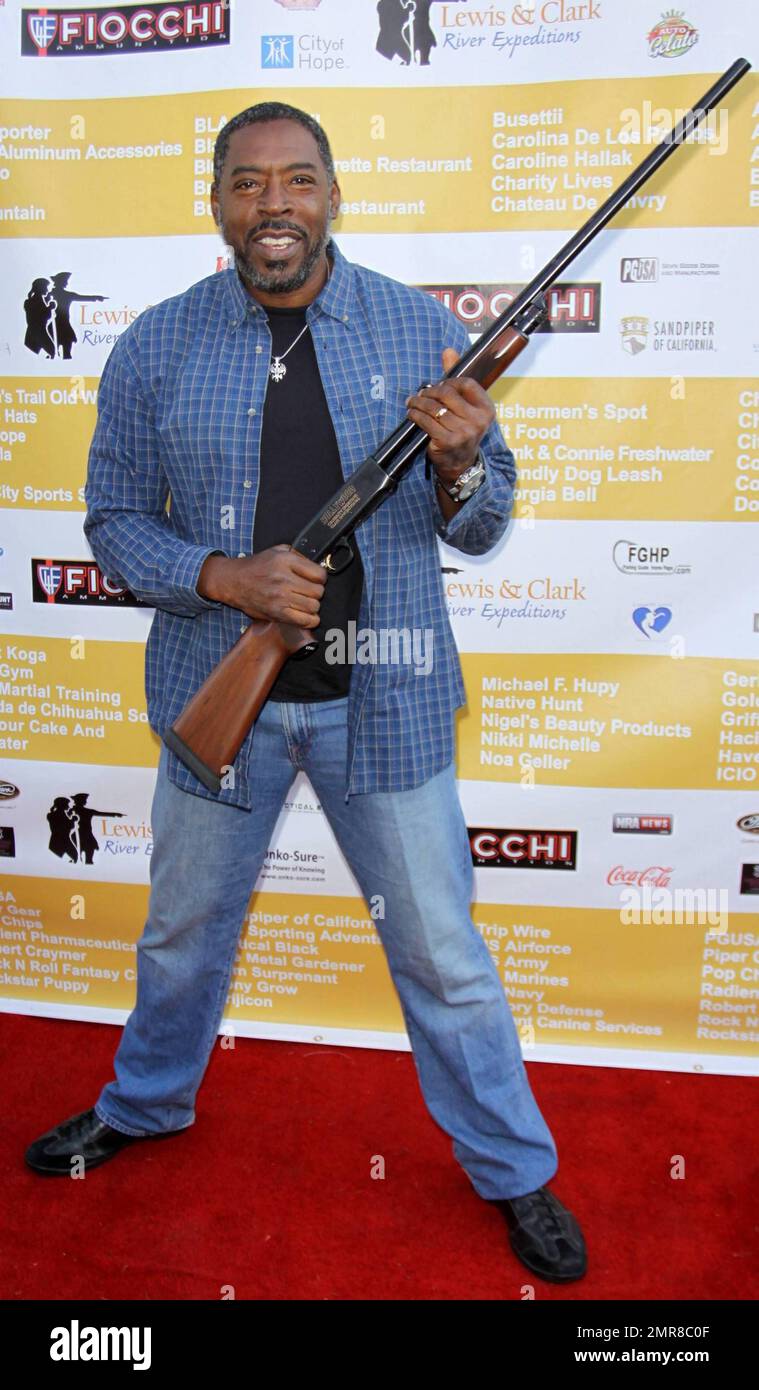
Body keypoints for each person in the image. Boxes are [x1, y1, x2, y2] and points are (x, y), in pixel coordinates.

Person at [25, 102, 586, 1285]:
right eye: (247, 182)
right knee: (181, 938)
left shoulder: (415, 326)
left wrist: (460, 460)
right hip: (216, 701)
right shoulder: (157, 346)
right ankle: (145, 1105)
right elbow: (113, 521)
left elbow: (483, 526)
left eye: (296, 180)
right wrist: (224, 577)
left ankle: (514, 1168)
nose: (272, 204)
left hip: (384, 708)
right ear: (217, 201)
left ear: (332, 193)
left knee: (441, 951)